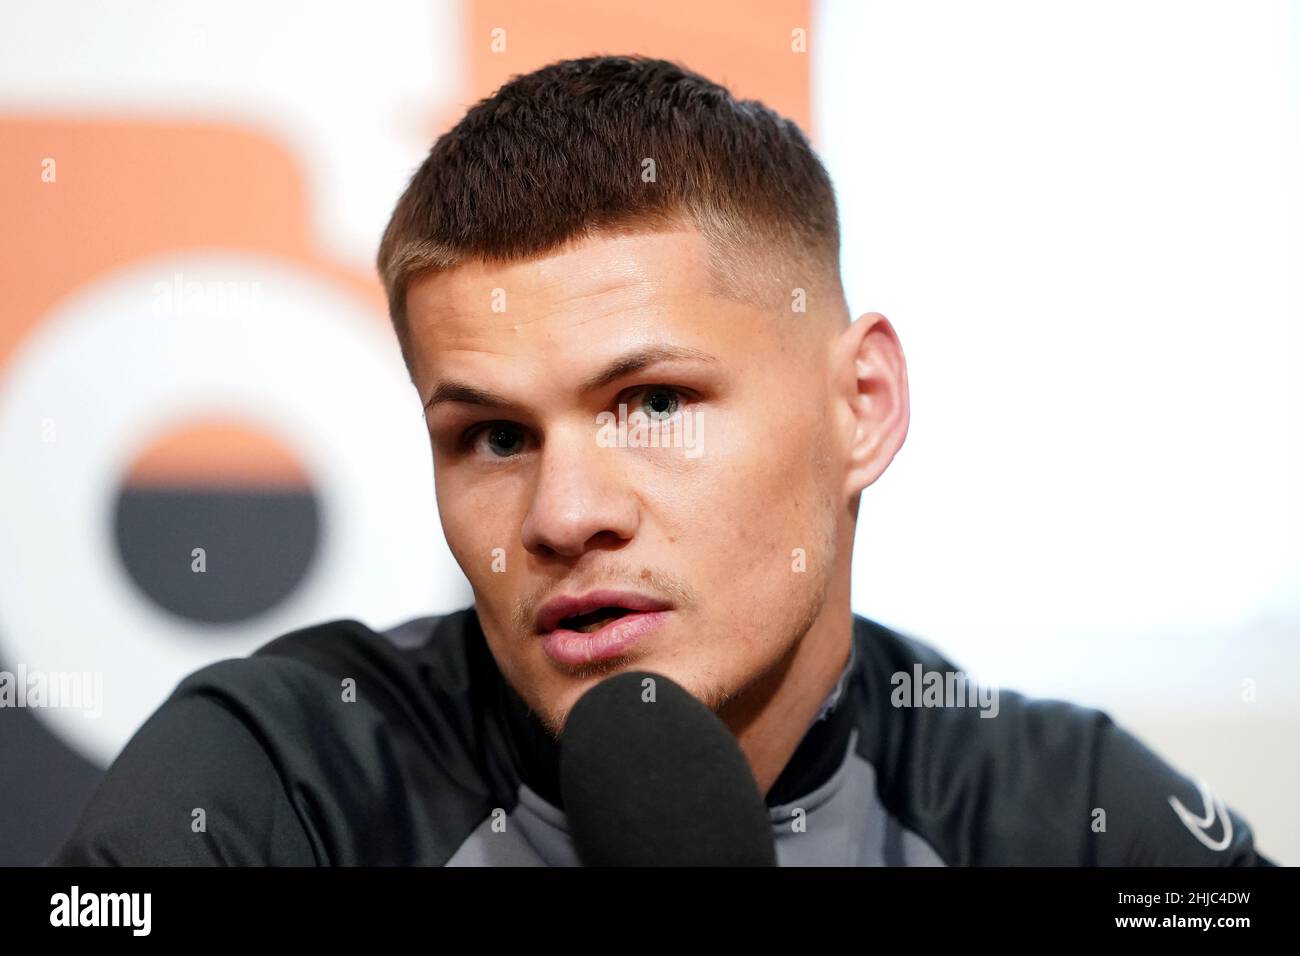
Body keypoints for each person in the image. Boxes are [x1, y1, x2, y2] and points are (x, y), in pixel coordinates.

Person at [51, 55, 1274, 866]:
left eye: (651, 402)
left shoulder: (1062, 817)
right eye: (493, 435)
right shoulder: (279, 779)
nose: (565, 514)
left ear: (863, 404)